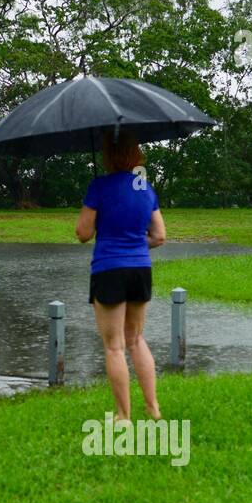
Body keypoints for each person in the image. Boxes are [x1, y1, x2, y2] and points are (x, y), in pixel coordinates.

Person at [75, 131, 166, 421]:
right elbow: (159, 236)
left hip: (109, 268)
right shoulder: (145, 188)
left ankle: (123, 416)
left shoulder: (99, 187)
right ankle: (153, 408)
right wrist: (137, 244)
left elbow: (83, 234)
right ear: (134, 153)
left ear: (108, 155)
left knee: (114, 346)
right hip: (140, 268)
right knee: (136, 339)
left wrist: (101, 220)